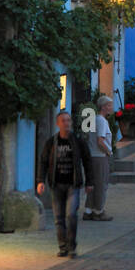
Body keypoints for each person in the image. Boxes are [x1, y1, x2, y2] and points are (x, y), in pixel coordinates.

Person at [36, 109, 94, 257]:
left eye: (68, 120)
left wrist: (90, 182)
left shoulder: (78, 141)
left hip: (73, 184)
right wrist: (40, 181)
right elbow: (43, 162)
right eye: (63, 121)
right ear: (58, 124)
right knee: (58, 218)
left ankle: (72, 246)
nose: (66, 123)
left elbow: (87, 161)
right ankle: (63, 247)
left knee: (71, 215)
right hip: (56, 184)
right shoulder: (51, 143)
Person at [84, 95, 114, 221]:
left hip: (92, 155)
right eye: (109, 105)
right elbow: (100, 140)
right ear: (104, 107)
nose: (111, 108)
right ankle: (99, 211)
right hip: (100, 156)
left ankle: (88, 210)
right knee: (101, 184)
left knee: (93, 184)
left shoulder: (94, 119)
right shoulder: (102, 121)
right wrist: (109, 151)